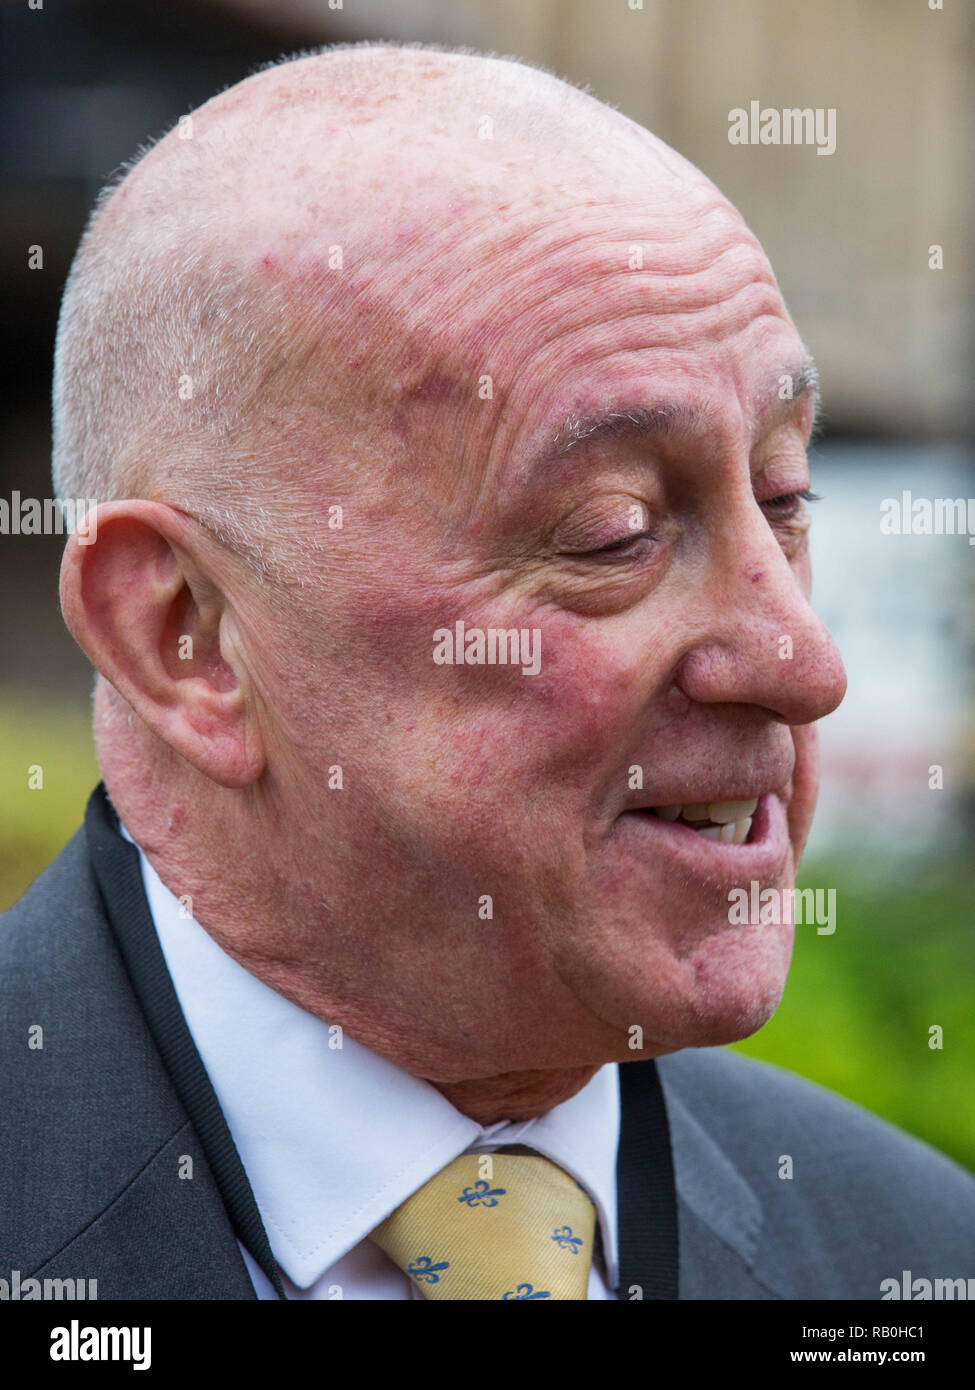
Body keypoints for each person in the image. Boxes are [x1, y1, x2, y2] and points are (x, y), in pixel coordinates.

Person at [3, 41, 973, 1301]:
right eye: (614, 532)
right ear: (183, 635)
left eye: (786, 499)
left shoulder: (910, 1257)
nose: (802, 660)